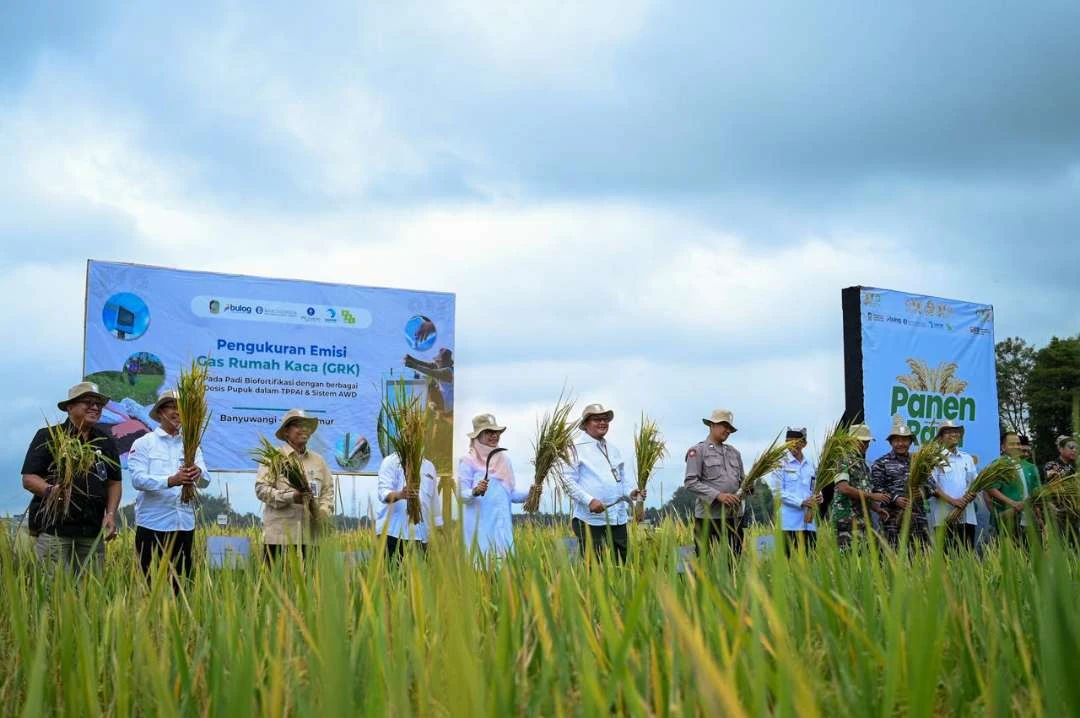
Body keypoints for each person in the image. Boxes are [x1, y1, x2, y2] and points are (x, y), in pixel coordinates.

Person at [20, 382, 122, 575]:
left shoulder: (105, 441)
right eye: (88, 402)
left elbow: (114, 482)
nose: (95, 407)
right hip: (55, 530)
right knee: (54, 593)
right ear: (70, 407)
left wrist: (110, 514)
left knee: (90, 593)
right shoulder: (48, 436)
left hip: (92, 531)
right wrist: (50, 490)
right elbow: (29, 478)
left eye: (98, 403)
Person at [128, 390, 210, 589]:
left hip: (184, 524)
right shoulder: (144, 443)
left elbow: (206, 480)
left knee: (180, 586)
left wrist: (197, 472)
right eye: (173, 407)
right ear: (161, 412)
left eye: (181, 408)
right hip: (153, 525)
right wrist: (171, 480)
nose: (177, 413)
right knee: (150, 585)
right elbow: (138, 480)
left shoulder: (191, 445)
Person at [563, 403, 644, 563]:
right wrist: (590, 500)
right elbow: (566, 481)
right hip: (590, 520)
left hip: (617, 518)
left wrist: (631, 493)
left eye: (605, 419)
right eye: (597, 419)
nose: (602, 422)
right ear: (586, 424)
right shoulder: (574, 448)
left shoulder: (613, 449)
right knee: (596, 569)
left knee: (622, 565)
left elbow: (621, 481)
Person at [254, 409, 336, 562]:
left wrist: (323, 512)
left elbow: (327, 491)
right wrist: (292, 497)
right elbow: (261, 490)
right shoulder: (274, 458)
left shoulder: (319, 461)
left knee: (310, 584)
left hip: (310, 538)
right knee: (276, 584)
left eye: (306, 425)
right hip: (279, 538)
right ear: (286, 432)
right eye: (298, 425)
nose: (304, 429)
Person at [456, 414, 539, 560]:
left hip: (502, 527)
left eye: (496, 432)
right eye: (489, 432)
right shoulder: (467, 462)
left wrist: (530, 493)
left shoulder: (504, 460)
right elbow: (461, 496)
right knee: (481, 571)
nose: (494, 436)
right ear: (478, 435)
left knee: (503, 574)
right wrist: (475, 491)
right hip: (480, 530)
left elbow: (510, 494)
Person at [683, 409, 747, 558]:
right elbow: (690, 482)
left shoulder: (735, 453)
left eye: (729, 428)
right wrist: (718, 495)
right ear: (711, 425)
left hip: (733, 518)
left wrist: (748, 488)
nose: (727, 430)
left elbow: (742, 481)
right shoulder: (698, 451)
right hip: (708, 519)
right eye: (723, 425)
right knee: (706, 564)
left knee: (734, 563)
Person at [870, 416, 930, 549]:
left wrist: (921, 492)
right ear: (891, 442)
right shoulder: (880, 463)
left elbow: (931, 486)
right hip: (892, 521)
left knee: (919, 560)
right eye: (897, 440)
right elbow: (876, 489)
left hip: (918, 520)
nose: (900, 443)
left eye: (904, 440)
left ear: (910, 442)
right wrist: (895, 499)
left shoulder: (919, 462)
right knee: (891, 559)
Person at [830, 424, 890, 551]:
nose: (864, 445)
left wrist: (877, 509)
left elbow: (864, 493)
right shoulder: (842, 459)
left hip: (862, 521)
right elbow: (843, 488)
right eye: (860, 442)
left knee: (860, 562)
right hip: (846, 521)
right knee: (846, 561)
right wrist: (873, 496)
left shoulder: (863, 465)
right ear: (851, 441)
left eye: (866, 442)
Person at [377, 450, 443, 562]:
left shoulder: (429, 466)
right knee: (393, 577)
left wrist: (438, 529)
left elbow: (434, 501)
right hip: (393, 535)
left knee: (421, 578)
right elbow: (383, 493)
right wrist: (401, 494)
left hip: (421, 536)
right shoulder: (390, 462)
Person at [928, 420, 979, 550]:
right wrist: (953, 501)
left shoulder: (967, 458)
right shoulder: (934, 458)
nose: (954, 434)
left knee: (967, 559)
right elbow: (932, 487)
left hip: (967, 517)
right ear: (940, 438)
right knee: (945, 560)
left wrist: (967, 498)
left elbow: (976, 484)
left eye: (956, 431)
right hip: (943, 519)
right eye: (948, 432)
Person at [768, 427, 819, 555]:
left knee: (809, 561)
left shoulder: (810, 464)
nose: (793, 445)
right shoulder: (780, 463)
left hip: (809, 523)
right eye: (789, 442)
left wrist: (819, 496)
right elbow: (776, 492)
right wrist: (801, 502)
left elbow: (814, 487)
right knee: (788, 564)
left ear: (804, 444)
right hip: (788, 524)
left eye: (797, 442)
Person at [985, 431, 1041, 539]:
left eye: (1018, 444)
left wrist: (1039, 516)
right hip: (1007, 516)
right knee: (1010, 552)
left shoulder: (1030, 467)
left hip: (1029, 517)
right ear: (1003, 447)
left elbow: (1036, 490)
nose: (1016, 447)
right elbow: (990, 488)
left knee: (1033, 553)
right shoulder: (998, 465)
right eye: (1011, 444)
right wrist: (1013, 503)